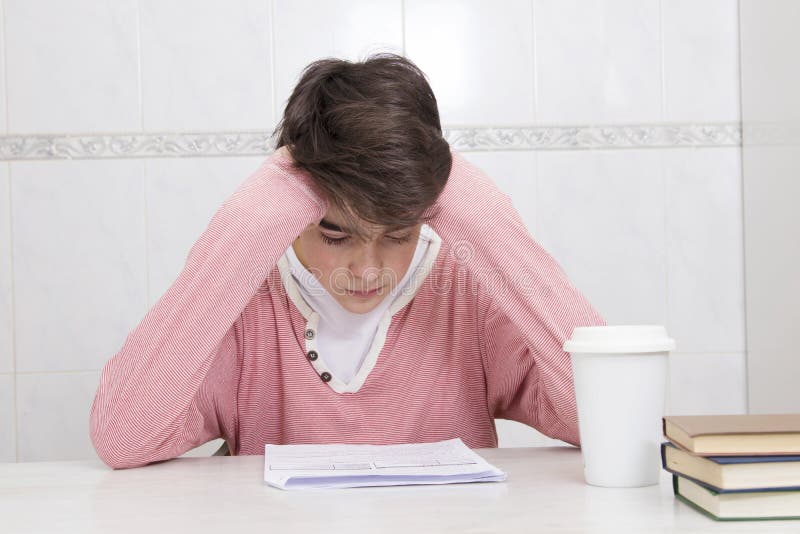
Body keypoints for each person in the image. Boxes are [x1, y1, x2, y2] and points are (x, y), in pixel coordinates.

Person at [89, 53, 606, 469]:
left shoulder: (464, 294)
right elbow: (122, 438)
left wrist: (476, 206)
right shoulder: (245, 302)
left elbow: (610, 423)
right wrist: (258, 210)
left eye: (398, 236)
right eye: (336, 236)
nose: (367, 270)